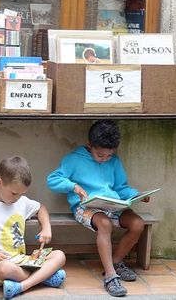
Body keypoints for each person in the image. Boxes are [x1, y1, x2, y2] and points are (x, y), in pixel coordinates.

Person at [46, 120, 148, 297]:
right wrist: (73, 186)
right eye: (100, 155)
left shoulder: (114, 161)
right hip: (85, 207)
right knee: (105, 223)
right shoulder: (74, 159)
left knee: (138, 223)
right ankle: (110, 276)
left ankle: (115, 262)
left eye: (110, 155)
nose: (105, 159)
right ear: (89, 145)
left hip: (112, 205)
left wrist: (136, 194)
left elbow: (121, 187)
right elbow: (52, 180)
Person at [0, 156, 67, 299]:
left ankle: (22, 286)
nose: (17, 198)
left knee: (59, 255)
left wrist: (46, 227)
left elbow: (40, 208)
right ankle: (43, 277)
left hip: (21, 261)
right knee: (7, 268)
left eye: (22, 194)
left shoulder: (21, 202)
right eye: (14, 193)